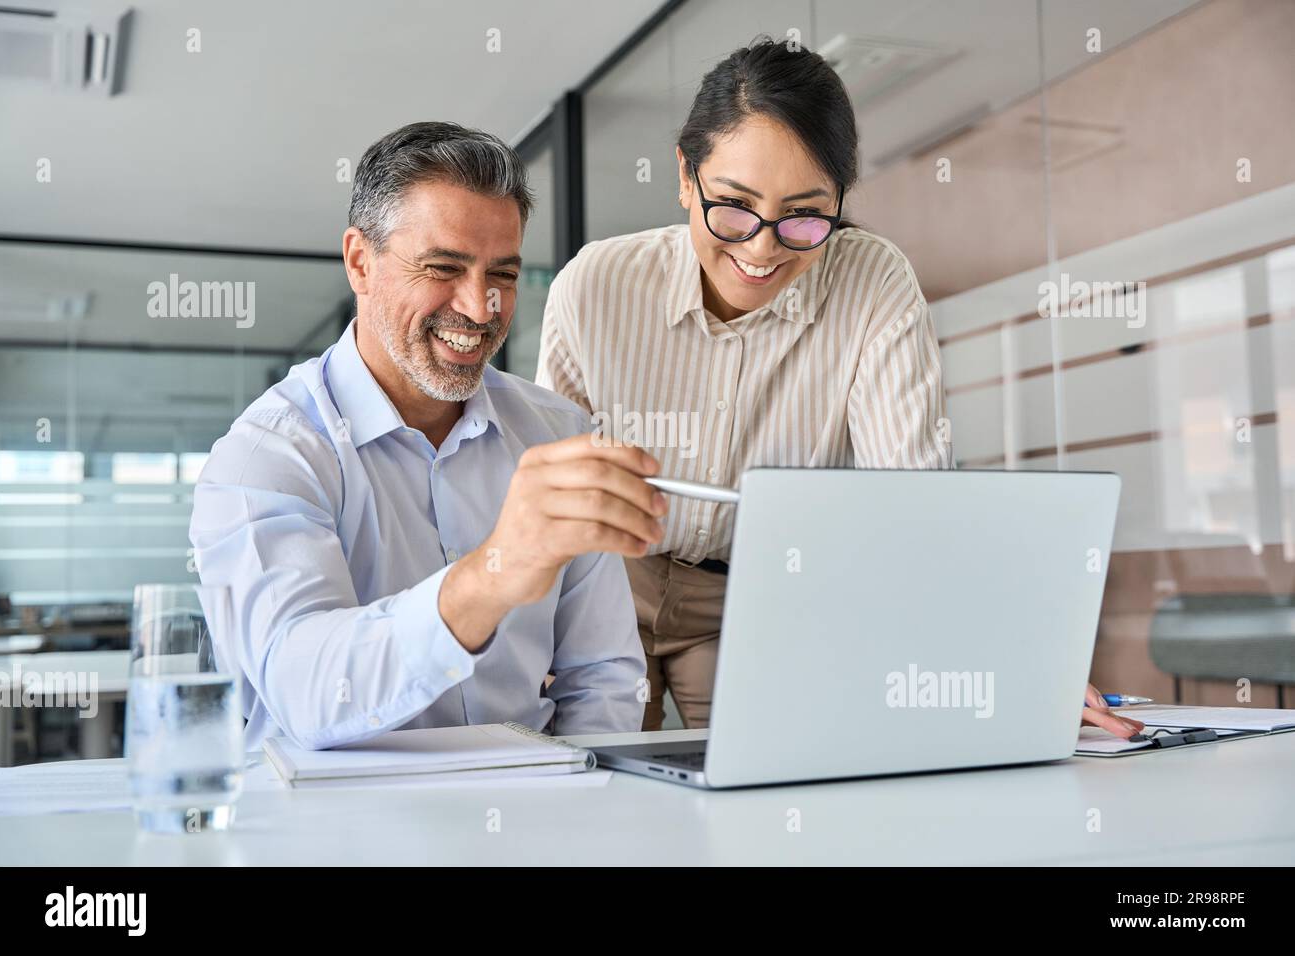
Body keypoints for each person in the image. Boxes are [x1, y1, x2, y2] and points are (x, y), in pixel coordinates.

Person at [537, 39, 1144, 741]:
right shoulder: (595, 285)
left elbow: (911, 494)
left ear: (840, 200)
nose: (762, 249)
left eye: (803, 215)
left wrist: (1007, 654)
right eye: (733, 207)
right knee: (597, 794)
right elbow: (557, 490)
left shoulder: (872, 282)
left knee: (769, 797)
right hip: (608, 587)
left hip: (753, 590)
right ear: (685, 174)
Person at [190, 122, 666, 751]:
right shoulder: (268, 455)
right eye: (444, 268)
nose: (479, 307)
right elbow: (305, 689)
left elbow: (604, 677)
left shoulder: (557, 433)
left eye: (503, 273)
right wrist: (490, 577)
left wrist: (573, 807)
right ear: (361, 262)